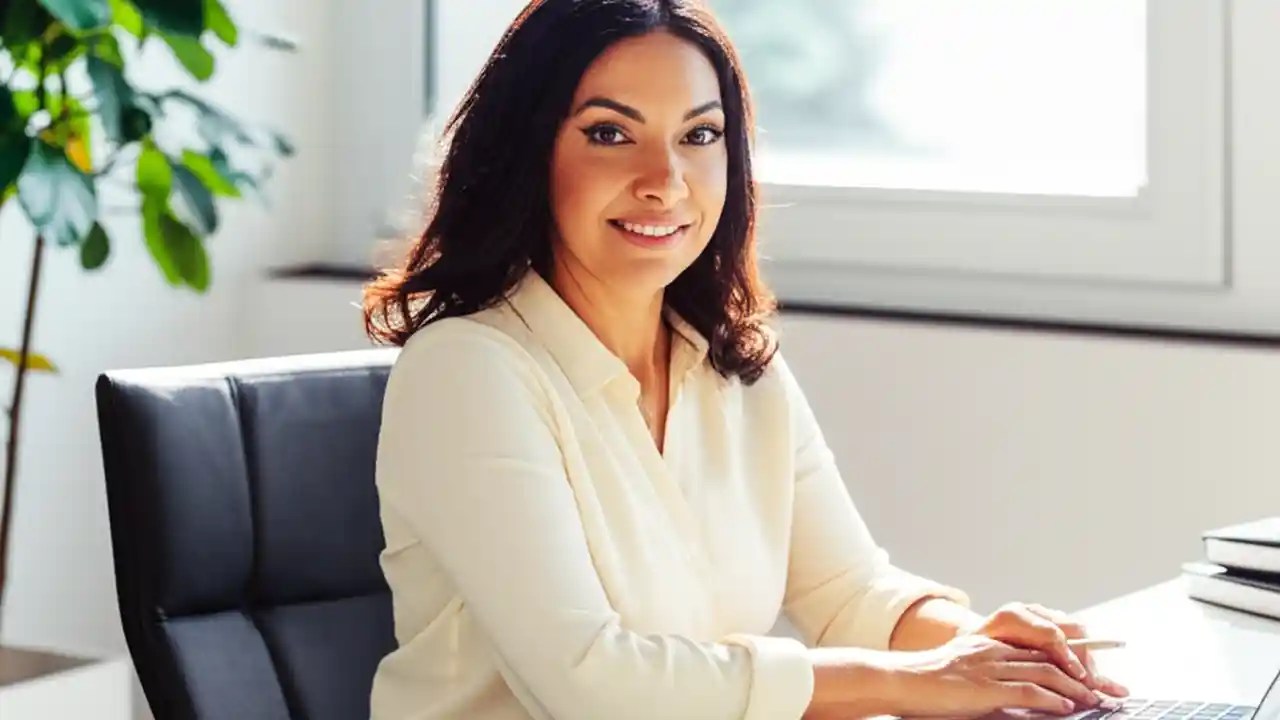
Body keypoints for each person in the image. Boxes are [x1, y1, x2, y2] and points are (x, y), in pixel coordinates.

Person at [361, 1, 1130, 718]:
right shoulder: (466, 373)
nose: (665, 182)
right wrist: (916, 681)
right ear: (528, 153)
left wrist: (987, 648)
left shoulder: (734, 365)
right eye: (609, 133)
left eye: (699, 136)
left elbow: (849, 591)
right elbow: (591, 682)